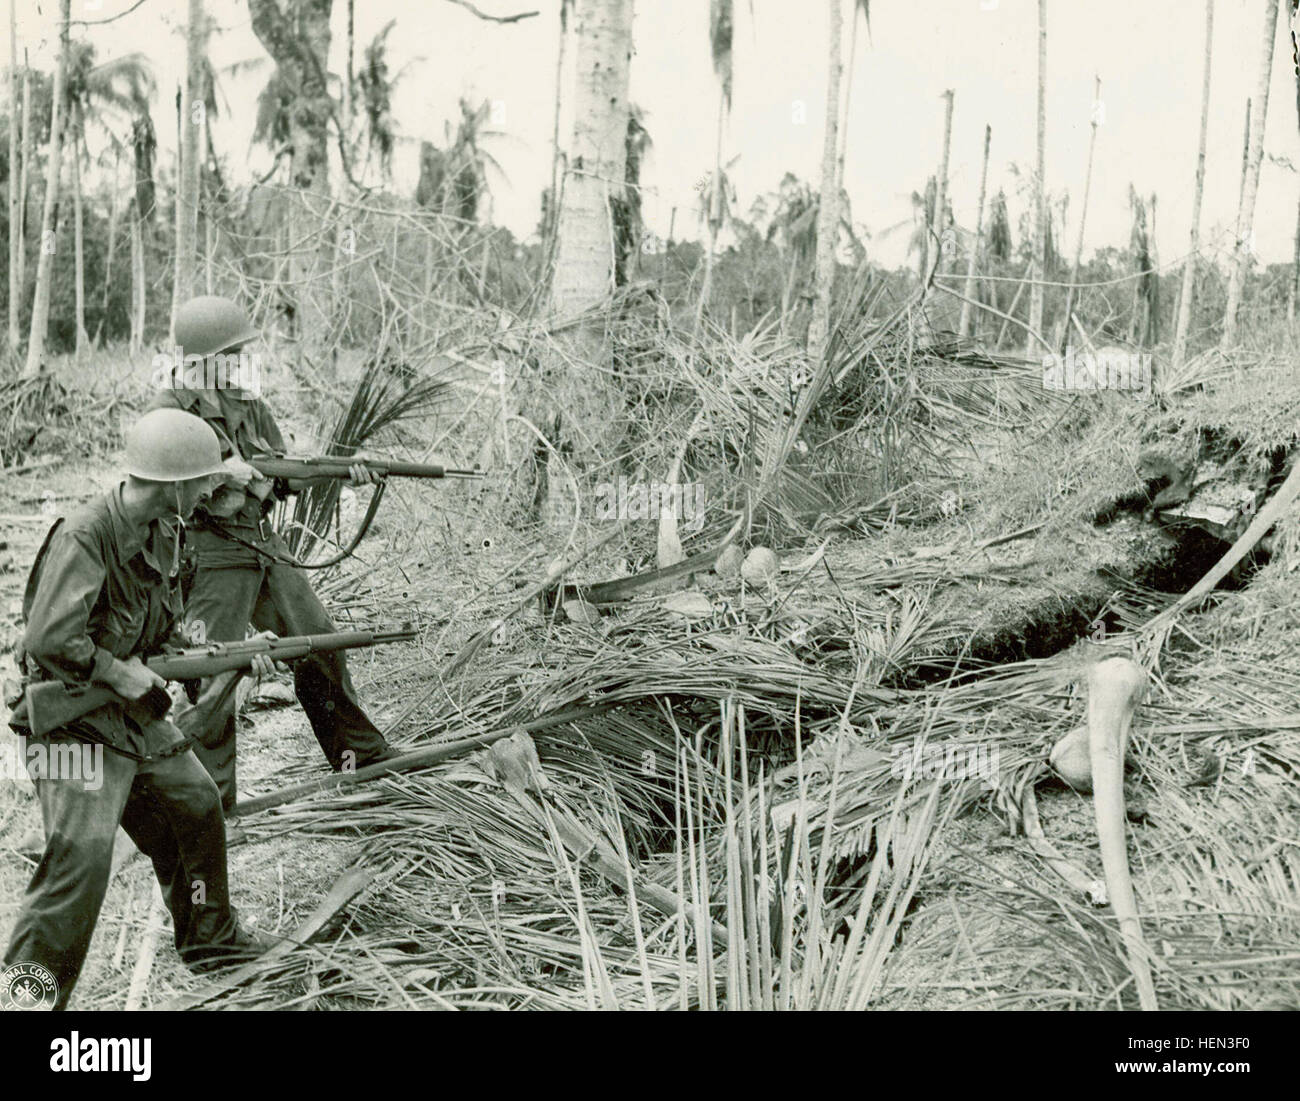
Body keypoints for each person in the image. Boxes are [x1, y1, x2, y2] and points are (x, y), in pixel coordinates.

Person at [3, 409, 270, 1009]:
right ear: (173, 483)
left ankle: (210, 940)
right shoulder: (86, 534)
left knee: (198, 803)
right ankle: (27, 1003)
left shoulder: (168, 532)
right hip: (70, 724)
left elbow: (164, 638)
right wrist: (121, 672)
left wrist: (224, 658)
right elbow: (50, 641)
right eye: (202, 481)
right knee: (80, 862)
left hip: (131, 718)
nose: (209, 491)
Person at [148, 295, 395, 814]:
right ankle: (208, 802)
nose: (240, 360)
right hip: (208, 551)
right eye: (231, 351)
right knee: (213, 671)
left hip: (262, 543)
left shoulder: (246, 402)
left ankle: (361, 758)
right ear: (200, 356)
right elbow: (160, 486)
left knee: (321, 641)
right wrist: (222, 472)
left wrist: (338, 472)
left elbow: (284, 470)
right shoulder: (170, 410)